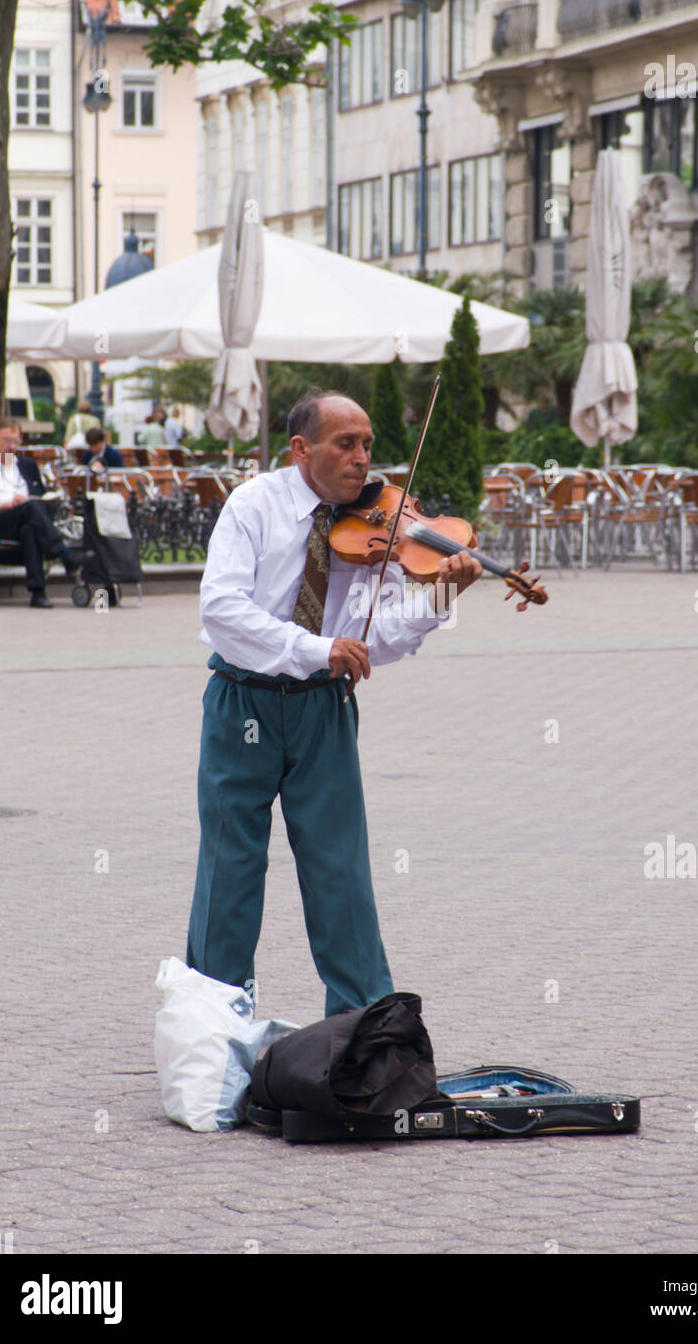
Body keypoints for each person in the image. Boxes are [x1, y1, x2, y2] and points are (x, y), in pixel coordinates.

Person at [185, 390, 482, 1016]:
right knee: (230, 868)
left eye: (368, 445)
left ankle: (361, 1033)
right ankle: (213, 1027)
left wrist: (437, 599)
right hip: (244, 702)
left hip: (324, 708)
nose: (362, 459)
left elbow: (382, 638)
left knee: (340, 871)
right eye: (346, 444)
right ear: (301, 449)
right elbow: (222, 609)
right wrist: (315, 649)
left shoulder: (383, 523)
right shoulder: (253, 505)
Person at [0, 418, 85, 608]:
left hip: (27, 520)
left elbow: (40, 498)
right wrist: (10, 504)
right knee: (30, 508)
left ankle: (38, 593)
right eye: (6, 440)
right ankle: (62, 554)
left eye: (16, 441)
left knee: (30, 527)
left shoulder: (27, 465)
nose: (11, 446)